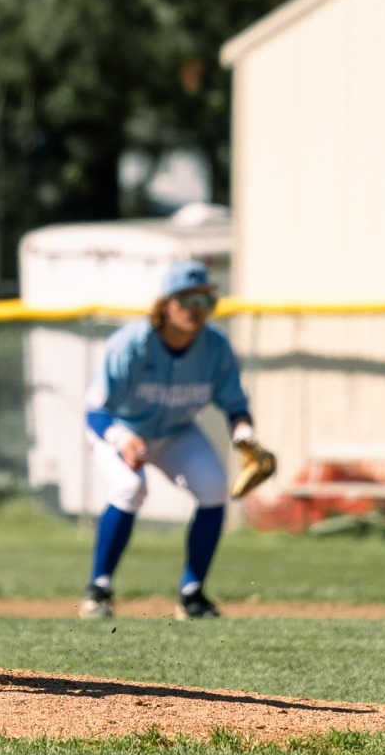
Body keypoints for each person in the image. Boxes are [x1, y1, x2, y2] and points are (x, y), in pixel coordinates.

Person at [79, 259, 255, 620]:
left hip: (176, 431)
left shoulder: (215, 347)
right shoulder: (132, 344)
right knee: (130, 487)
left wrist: (246, 437)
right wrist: (122, 439)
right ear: (165, 305)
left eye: (205, 300)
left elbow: (236, 406)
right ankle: (98, 590)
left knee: (214, 486)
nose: (196, 309)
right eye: (186, 299)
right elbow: (95, 410)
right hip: (119, 429)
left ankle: (192, 595)